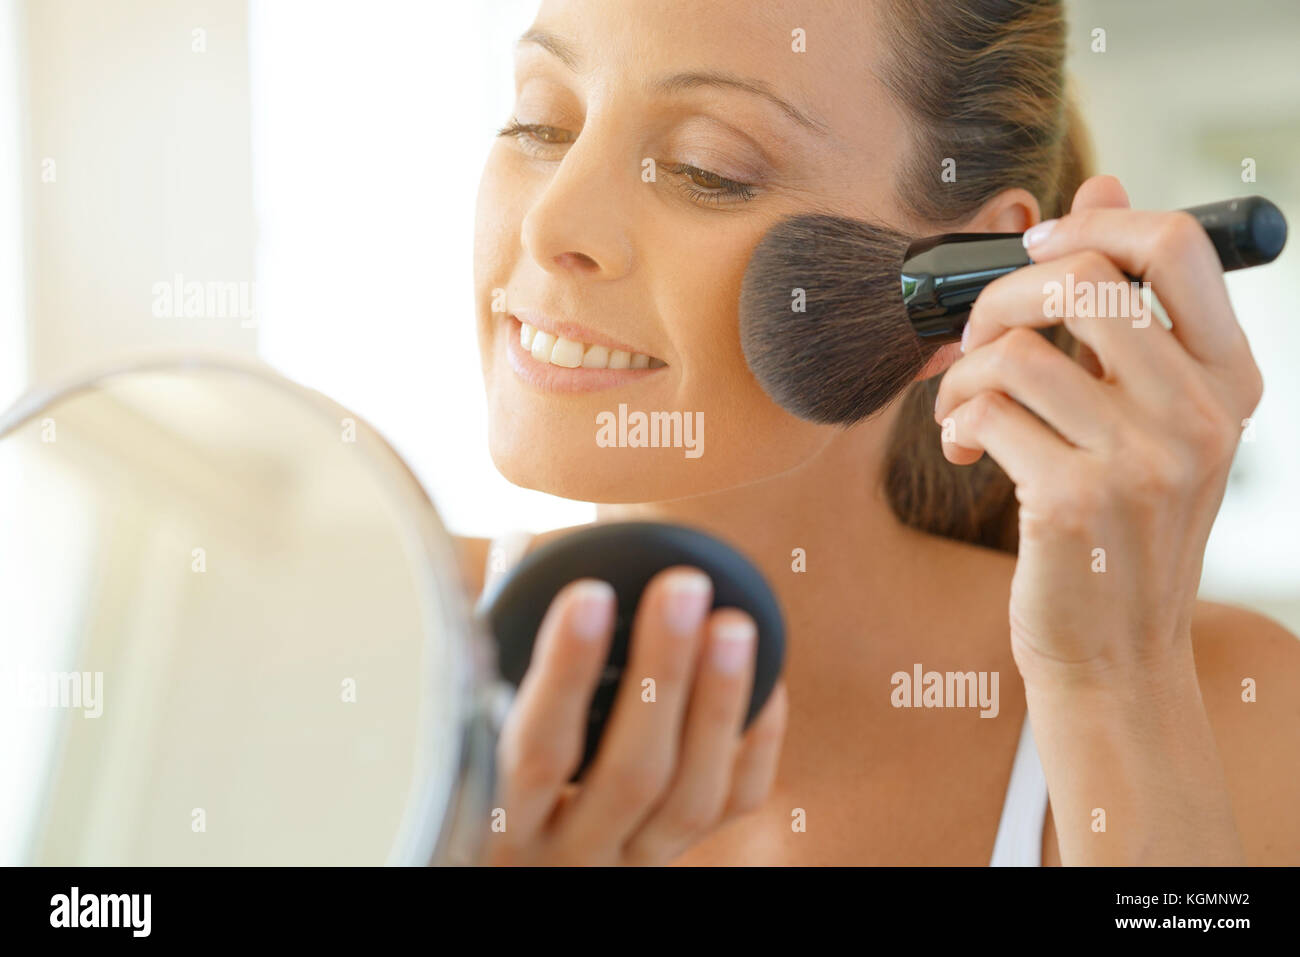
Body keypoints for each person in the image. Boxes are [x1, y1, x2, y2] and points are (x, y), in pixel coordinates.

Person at [458, 0, 1300, 865]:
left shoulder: (1235, 707)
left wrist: (1116, 687)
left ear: (968, 273)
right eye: (539, 122)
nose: (551, 222)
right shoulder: (376, 617)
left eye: (704, 167)